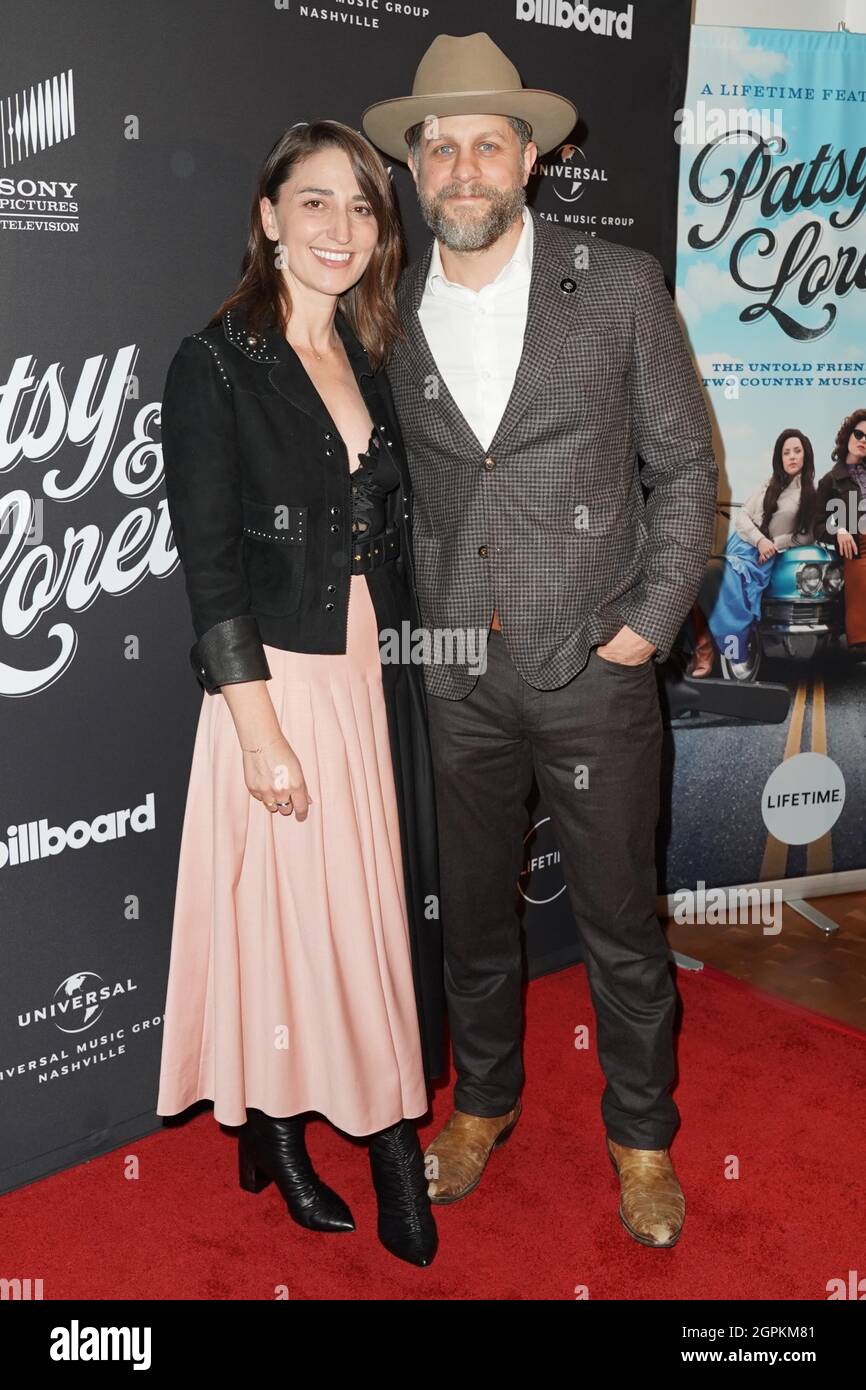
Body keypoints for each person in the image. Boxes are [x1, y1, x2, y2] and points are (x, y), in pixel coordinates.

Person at [362, 32, 718, 1248]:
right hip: (455, 675)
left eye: (486, 143)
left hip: (593, 674)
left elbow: (683, 475)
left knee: (620, 924)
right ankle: (480, 1110)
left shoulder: (615, 285)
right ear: (416, 167)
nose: (462, 167)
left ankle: (641, 1138)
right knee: (472, 918)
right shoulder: (383, 302)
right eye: (439, 146)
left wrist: (644, 627)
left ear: (531, 155)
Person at [156, 119, 444, 1267]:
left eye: (362, 208)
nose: (340, 227)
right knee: (303, 930)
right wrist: (261, 735)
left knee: (360, 924)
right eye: (313, 203)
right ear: (268, 218)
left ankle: (280, 1124)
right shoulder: (214, 362)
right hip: (277, 694)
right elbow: (210, 563)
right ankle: (363, 1145)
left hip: (378, 686)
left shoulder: (371, 357)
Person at [689, 430, 815, 678]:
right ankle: (701, 648)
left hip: (762, 558)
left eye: (797, 451)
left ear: (806, 455)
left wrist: (775, 543)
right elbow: (743, 517)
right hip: (743, 544)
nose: (791, 457)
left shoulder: (811, 494)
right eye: (786, 452)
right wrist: (759, 540)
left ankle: (728, 651)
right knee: (693, 575)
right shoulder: (769, 483)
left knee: (709, 573)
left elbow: (807, 535)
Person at [813, 408, 866, 651]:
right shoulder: (830, 481)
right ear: (847, 437)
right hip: (858, 547)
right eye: (859, 434)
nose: (863, 440)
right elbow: (817, 526)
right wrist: (840, 530)